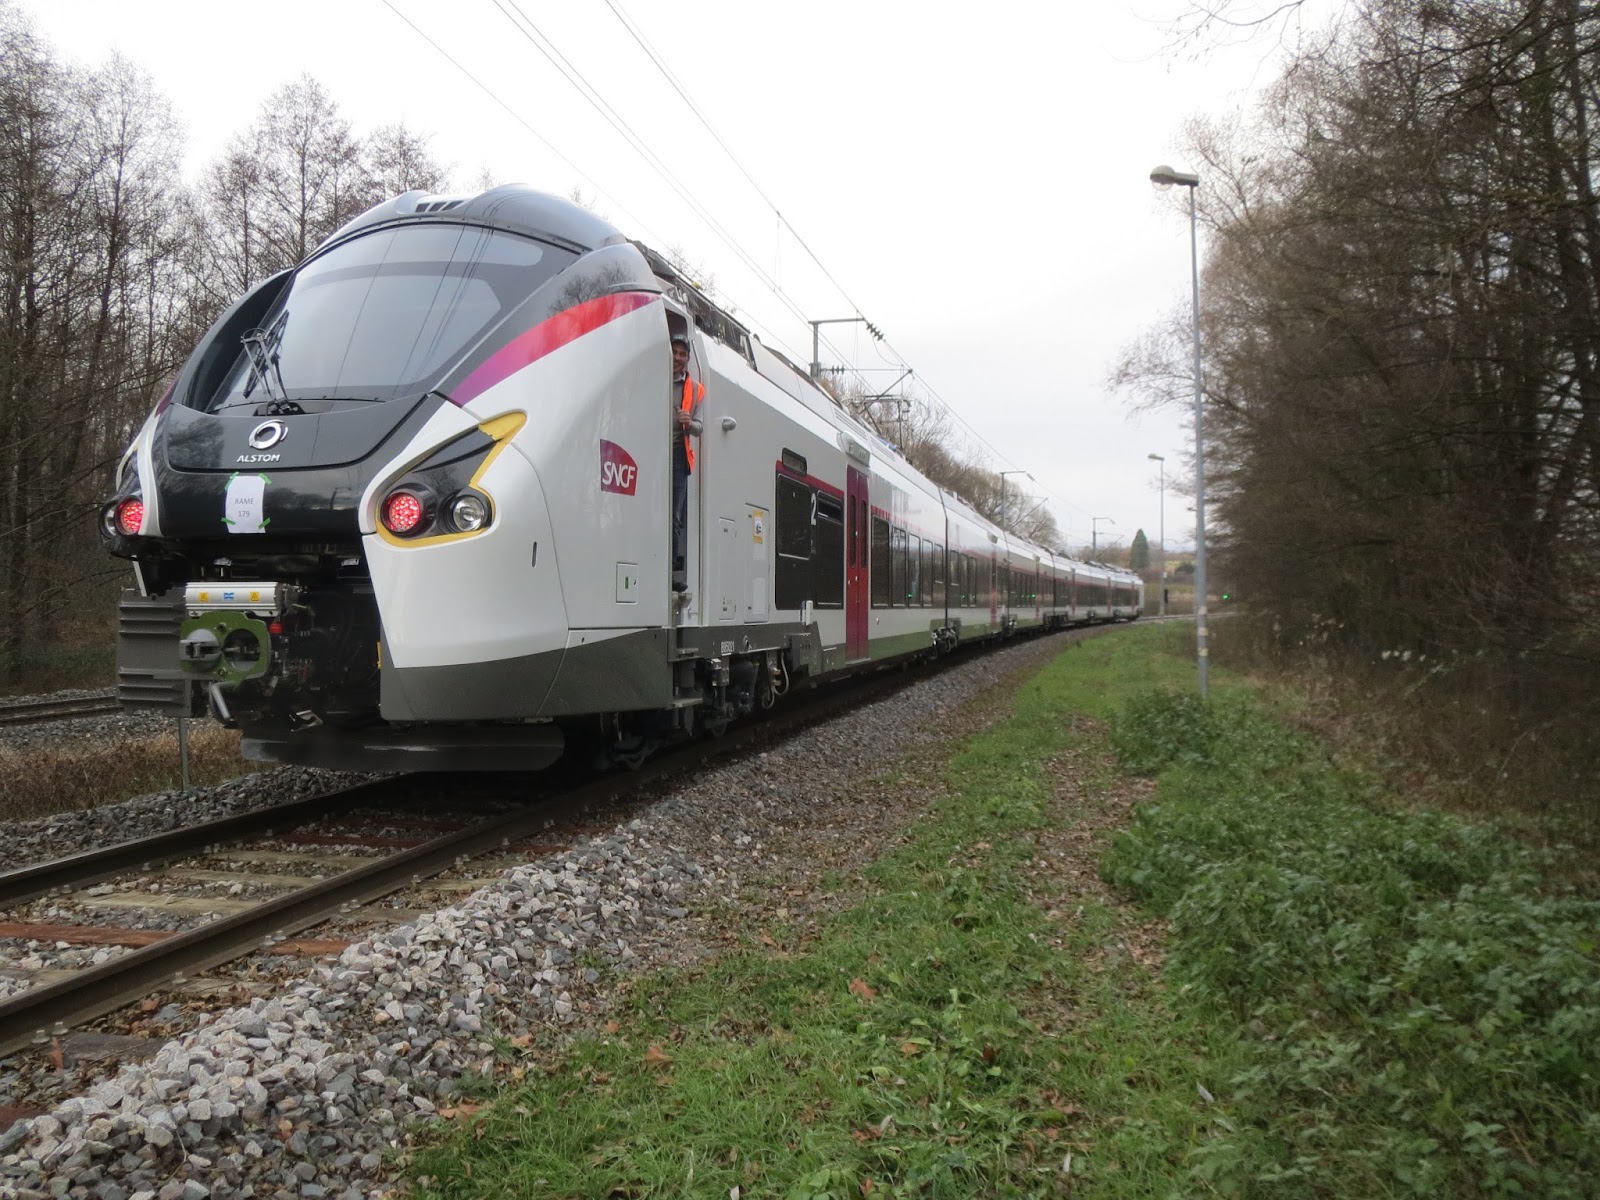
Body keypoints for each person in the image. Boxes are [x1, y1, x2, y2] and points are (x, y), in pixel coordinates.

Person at [670, 333, 704, 592]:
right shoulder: (651, 374)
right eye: (675, 352)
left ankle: (670, 571)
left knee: (675, 516)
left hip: (679, 455)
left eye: (683, 354)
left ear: (688, 359)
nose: (678, 358)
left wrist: (688, 422)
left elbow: (699, 427)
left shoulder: (696, 390)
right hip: (652, 451)